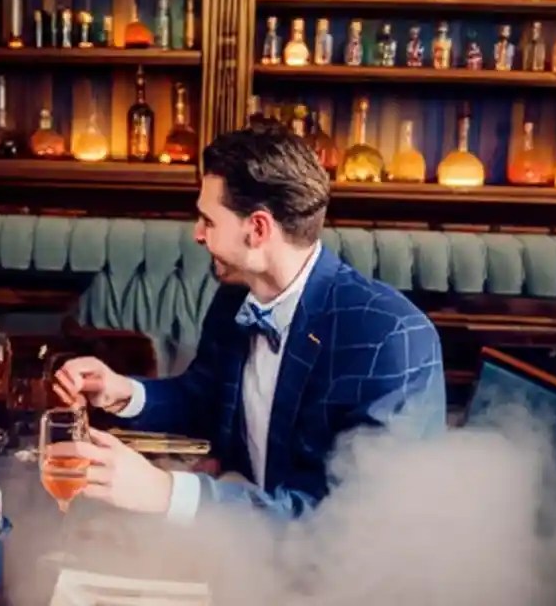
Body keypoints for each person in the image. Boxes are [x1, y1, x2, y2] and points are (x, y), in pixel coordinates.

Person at [54, 126, 446, 522]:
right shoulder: (236, 297)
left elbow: (351, 523)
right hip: (244, 542)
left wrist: (166, 492)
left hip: (333, 561)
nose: (197, 234)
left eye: (208, 220)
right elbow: (206, 400)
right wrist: (121, 391)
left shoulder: (389, 337)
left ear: (257, 229)